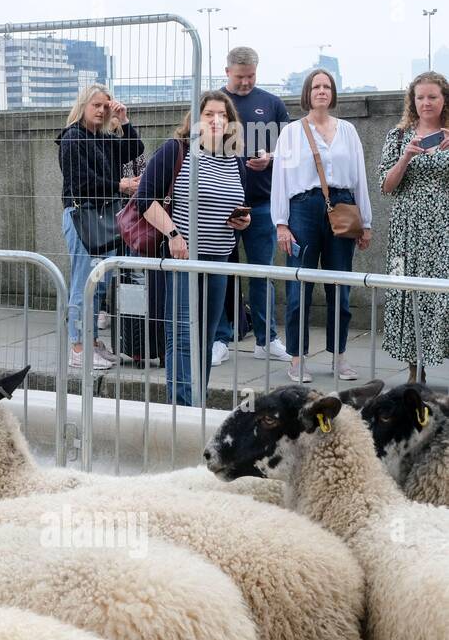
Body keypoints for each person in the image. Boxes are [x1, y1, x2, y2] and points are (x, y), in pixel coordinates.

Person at [136, 90, 248, 406]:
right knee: (182, 337)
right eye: (209, 114)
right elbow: (146, 198)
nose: (216, 120)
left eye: (222, 115)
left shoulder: (233, 159)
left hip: (219, 260)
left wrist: (240, 222)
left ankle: (196, 403)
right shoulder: (178, 151)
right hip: (183, 259)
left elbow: (235, 205)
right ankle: (181, 408)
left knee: (206, 338)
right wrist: (173, 235)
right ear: (195, 119)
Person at [271, 68, 373, 383]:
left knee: (339, 286)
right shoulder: (291, 132)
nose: (321, 91)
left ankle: (339, 357)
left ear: (333, 93)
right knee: (299, 285)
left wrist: (365, 222)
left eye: (327, 86)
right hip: (302, 209)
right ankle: (297, 360)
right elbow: (281, 178)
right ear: (307, 93)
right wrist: (281, 223)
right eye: (316, 86)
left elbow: (359, 177)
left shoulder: (348, 131)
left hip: (342, 206)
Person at [211, 46, 293, 366]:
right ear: (227, 72)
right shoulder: (213, 104)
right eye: (240, 76)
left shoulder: (271, 103)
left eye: (251, 76)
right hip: (220, 205)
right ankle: (220, 338)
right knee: (220, 274)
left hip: (261, 204)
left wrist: (269, 158)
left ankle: (266, 338)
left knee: (263, 274)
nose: (246, 82)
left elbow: (291, 150)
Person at [56, 84, 143, 370]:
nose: (102, 110)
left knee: (98, 282)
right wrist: (120, 185)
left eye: (106, 106)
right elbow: (80, 183)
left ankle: (91, 342)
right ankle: (78, 347)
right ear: (82, 106)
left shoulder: (101, 138)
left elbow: (134, 151)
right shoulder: (72, 138)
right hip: (83, 216)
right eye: (96, 105)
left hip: (101, 216)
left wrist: (125, 120)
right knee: (84, 282)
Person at [377, 72, 449, 383]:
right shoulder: (398, 136)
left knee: (442, 295)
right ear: (412, 100)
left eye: (432, 96)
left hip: (444, 228)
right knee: (406, 294)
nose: (426, 102)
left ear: (443, 99)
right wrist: (407, 156)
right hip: (406, 230)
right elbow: (386, 186)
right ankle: (413, 371)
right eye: (420, 97)